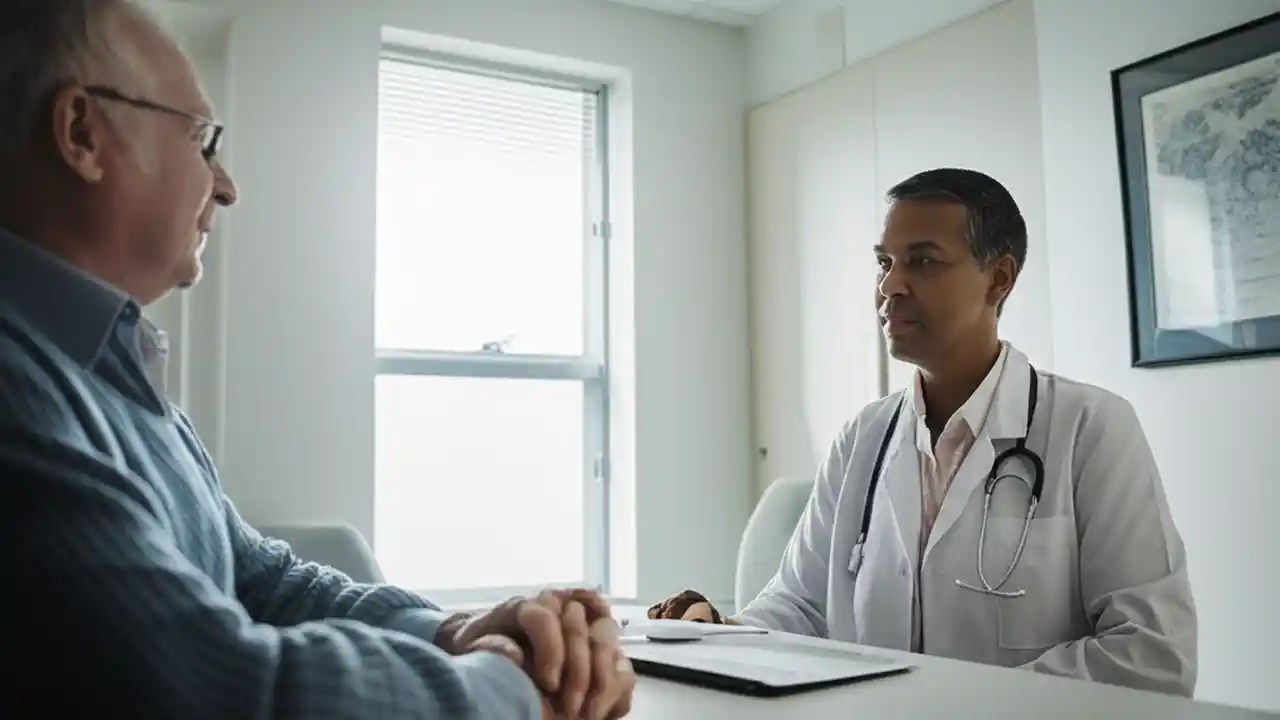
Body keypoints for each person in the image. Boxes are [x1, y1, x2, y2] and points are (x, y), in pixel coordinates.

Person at [0, 2, 634, 718]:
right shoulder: (16, 386)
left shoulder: (117, 382)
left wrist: (453, 631)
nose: (228, 185)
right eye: (202, 141)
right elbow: (225, 693)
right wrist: (512, 687)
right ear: (82, 131)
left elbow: (264, 583)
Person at [650, 168, 1197, 696]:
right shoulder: (863, 437)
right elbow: (801, 606)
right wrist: (717, 627)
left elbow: (1150, 652)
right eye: (884, 263)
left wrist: (952, 705)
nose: (890, 285)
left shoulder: (1091, 428)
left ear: (999, 279)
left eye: (924, 261)